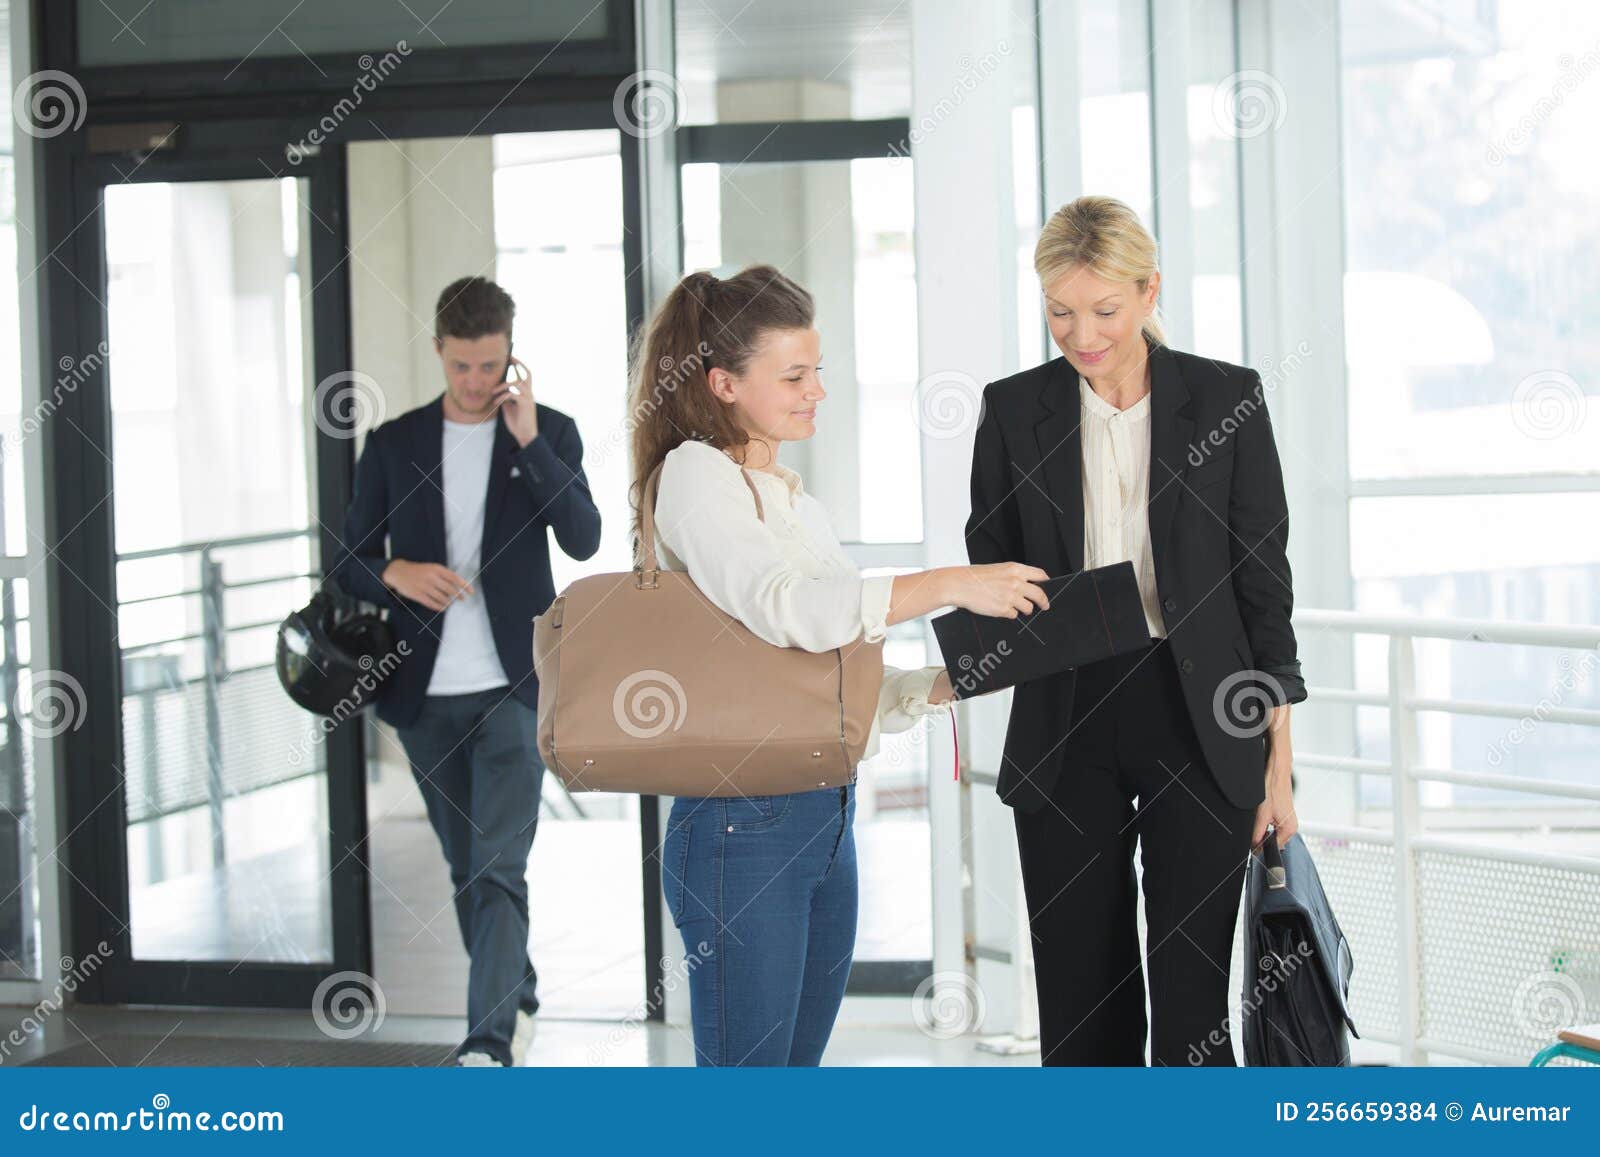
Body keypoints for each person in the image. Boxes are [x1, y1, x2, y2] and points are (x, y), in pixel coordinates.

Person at [634, 264, 1047, 1066]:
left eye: (816, 369)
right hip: (741, 826)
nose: (818, 390)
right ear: (723, 383)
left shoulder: (791, 498)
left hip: (825, 813)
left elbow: (815, 669)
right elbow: (787, 607)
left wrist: (929, 686)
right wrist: (947, 582)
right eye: (794, 375)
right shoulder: (694, 476)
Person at [964, 196, 1305, 1066]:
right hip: (1065, 710)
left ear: (1151, 291)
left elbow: (1264, 591)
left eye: (1105, 310)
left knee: (1193, 1001)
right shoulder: (1012, 409)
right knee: (1080, 999)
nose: (1082, 336)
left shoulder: (1226, 396)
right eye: (1060, 312)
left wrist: (1279, 767)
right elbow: (990, 566)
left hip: (1200, 713)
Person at [332, 275, 601, 1066]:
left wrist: (529, 442)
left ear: (511, 354)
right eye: (462, 367)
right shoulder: (395, 443)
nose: (478, 382)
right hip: (424, 695)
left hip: (516, 687)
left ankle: (488, 1040)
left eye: (491, 365)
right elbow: (346, 559)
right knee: (467, 868)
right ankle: (516, 988)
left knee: (497, 865)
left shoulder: (549, 433)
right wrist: (397, 572)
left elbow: (583, 537)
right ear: (439, 352)